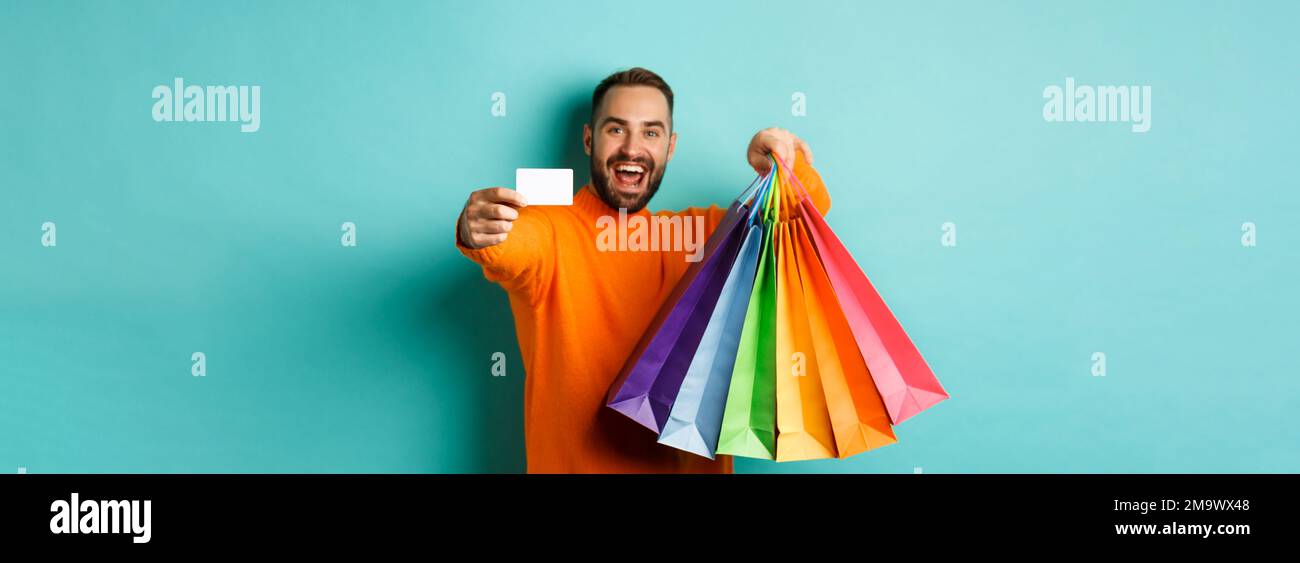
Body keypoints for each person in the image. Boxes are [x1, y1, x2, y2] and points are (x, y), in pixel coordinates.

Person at [455, 67, 831, 473]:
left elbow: (802, 218)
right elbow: (511, 244)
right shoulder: (550, 228)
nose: (632, 148)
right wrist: (477, 230)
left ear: (670, 148)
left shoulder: (702, 235)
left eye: (650, 133)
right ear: (588, 139)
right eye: (616, 129)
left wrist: (779, 161)